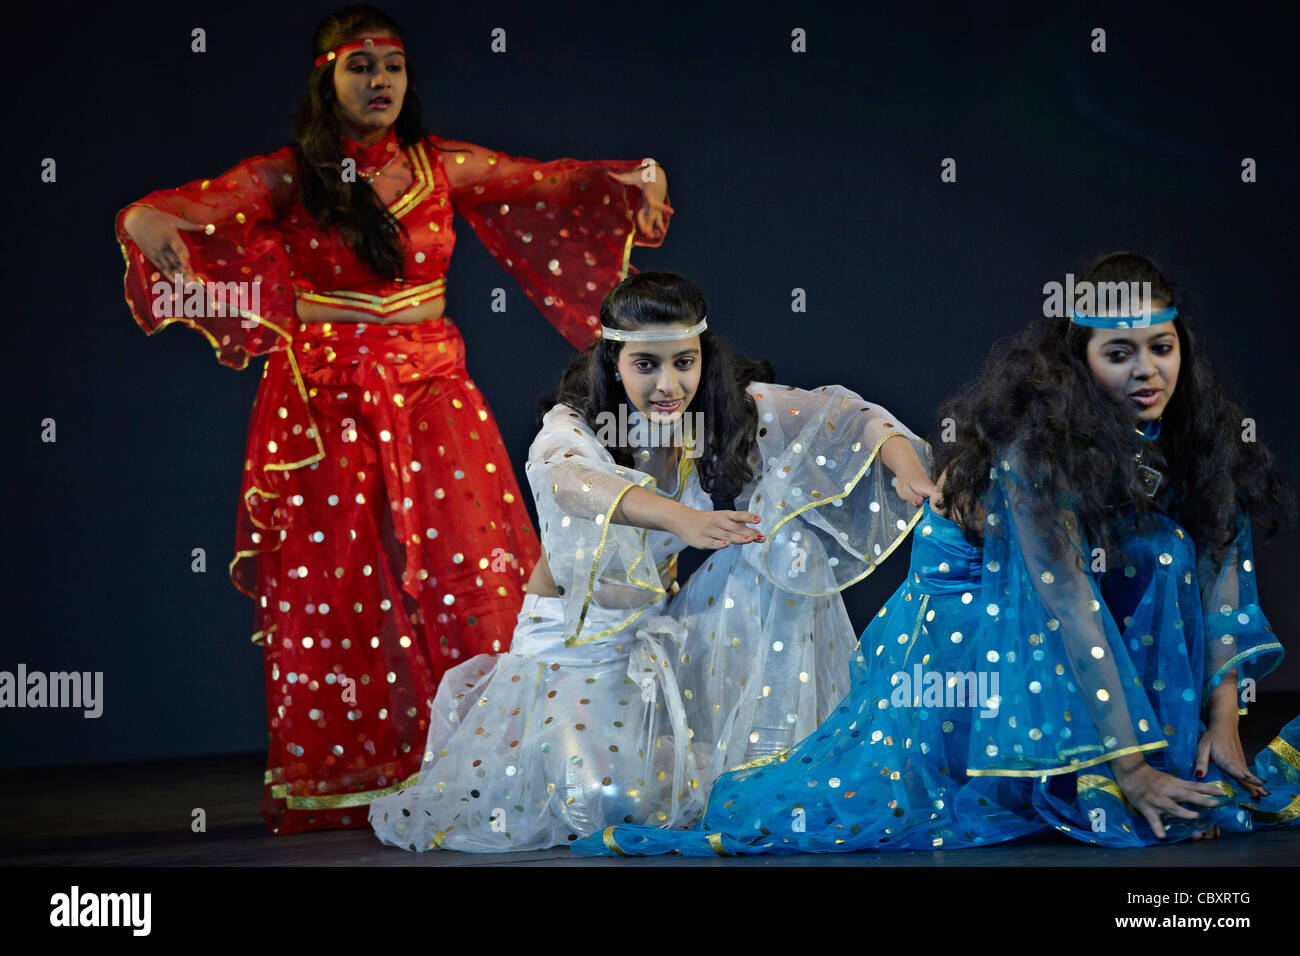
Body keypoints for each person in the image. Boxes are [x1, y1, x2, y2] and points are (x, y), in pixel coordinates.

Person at [114, 4, 673, 834]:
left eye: (393, 66)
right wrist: (147, 223)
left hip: (434, 398)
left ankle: (493, 761)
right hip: (326, 404)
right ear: (325, 78)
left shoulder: (438, 167)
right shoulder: (288, 176)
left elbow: (544, 180)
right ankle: (355, 773)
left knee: (476, 573)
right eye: (360, 66)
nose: (380, 81)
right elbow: (176, 208)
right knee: (339, 587)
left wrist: (631, 176)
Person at [574, 253, 1300, 857]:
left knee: (1171, 547)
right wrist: (1133, 771)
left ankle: (1145, 761)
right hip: (965, 635)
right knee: (1156, 554)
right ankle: (1110, 771)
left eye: (1161, 348)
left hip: (1052, 632)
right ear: (1077, 364)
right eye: (1119, 353)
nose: (1147, 372)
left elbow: (1222, 574)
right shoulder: (1033, 457)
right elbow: (1068, 608)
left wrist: (1226, 725)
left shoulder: (1195, 433)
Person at [368, 271, 935, 850]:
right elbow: (570, 482)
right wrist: (681, 518)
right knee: (603, 802)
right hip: (570, 655)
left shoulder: (724, 411)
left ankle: (775, 760)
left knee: (785, 546)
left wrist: (909, 471)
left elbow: (846, 415)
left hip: (654, 643)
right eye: (646, 365)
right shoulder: (577, 424)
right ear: (615, 362)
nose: (668, 385)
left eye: (683, 362)